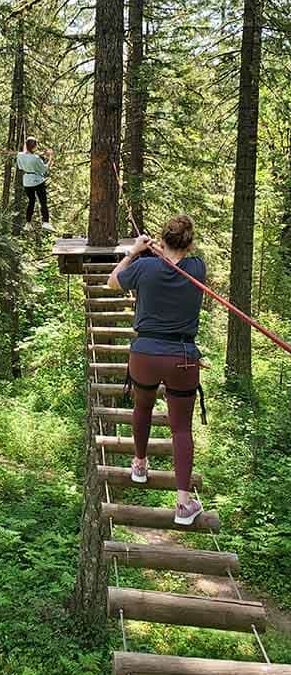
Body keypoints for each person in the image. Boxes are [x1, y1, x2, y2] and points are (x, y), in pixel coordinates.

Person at [107, 215, 206, 526]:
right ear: (189, 244)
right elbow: (176, 263)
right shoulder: (197, 268)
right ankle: (183, 504)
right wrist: (160, 251)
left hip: (146, 352)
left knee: (143, 407)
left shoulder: (144, 267)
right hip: (182, 356)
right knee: (181, 428)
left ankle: (139, 465)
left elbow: (112, 282)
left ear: (162, 240)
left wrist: (135, 251)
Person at [16, 137, 56, 232]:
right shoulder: (36, 158)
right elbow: (44, 169)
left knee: (31, 201)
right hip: (37, 181)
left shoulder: (20, 155)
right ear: (34, 147)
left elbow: (21, 165)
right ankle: (46, 222)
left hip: (27, 181)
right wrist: (50, 158)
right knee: (43, 201)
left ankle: (28, 223)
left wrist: (41, 154)